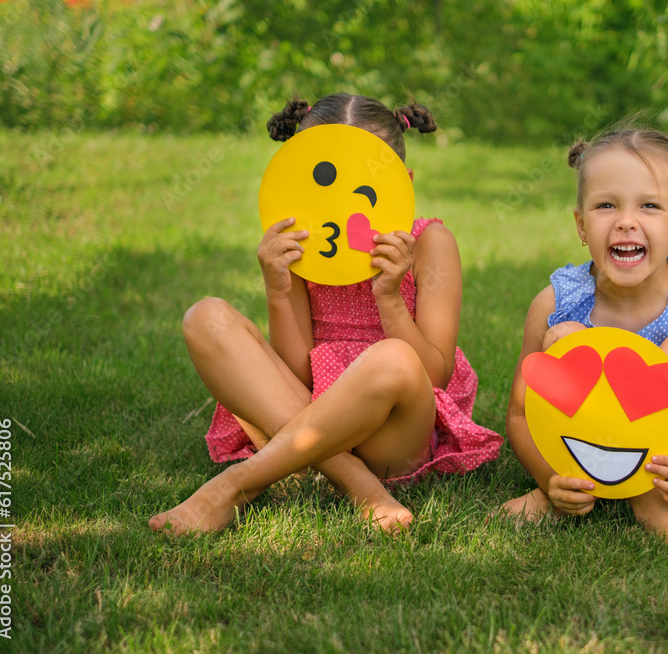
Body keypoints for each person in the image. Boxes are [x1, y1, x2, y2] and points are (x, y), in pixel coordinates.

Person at [150, 93, 503, 535]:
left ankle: (235, 485)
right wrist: (279, 290)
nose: (343, 201)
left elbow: (433, 378)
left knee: (393, 357)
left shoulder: (430, 245)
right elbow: (297, 371)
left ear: (403, 183)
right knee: (206, 317)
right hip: (309, 411)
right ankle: (356, 483)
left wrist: (390, 298)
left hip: (393, 435)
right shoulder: (300, 246)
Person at [500, 127, 668, 559]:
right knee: (567, 340)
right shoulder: (557, 304)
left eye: (650, 206)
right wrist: (548, 479)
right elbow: (521, 412)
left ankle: (656, 505)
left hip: (667, 471)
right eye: (605, 205)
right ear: (581, 225)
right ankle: (568, 493)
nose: (626, 221)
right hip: (576, 457)